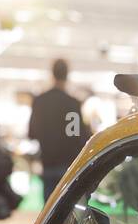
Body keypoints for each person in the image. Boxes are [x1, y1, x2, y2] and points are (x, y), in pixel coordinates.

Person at [29, 59, 91, 198]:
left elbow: (32, 132)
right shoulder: (72, 103)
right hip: (68, 165)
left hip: (48, 163)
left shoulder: (40, 102)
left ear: (52, 74)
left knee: (50, 210)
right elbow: (75, 135)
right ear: (67, 75)